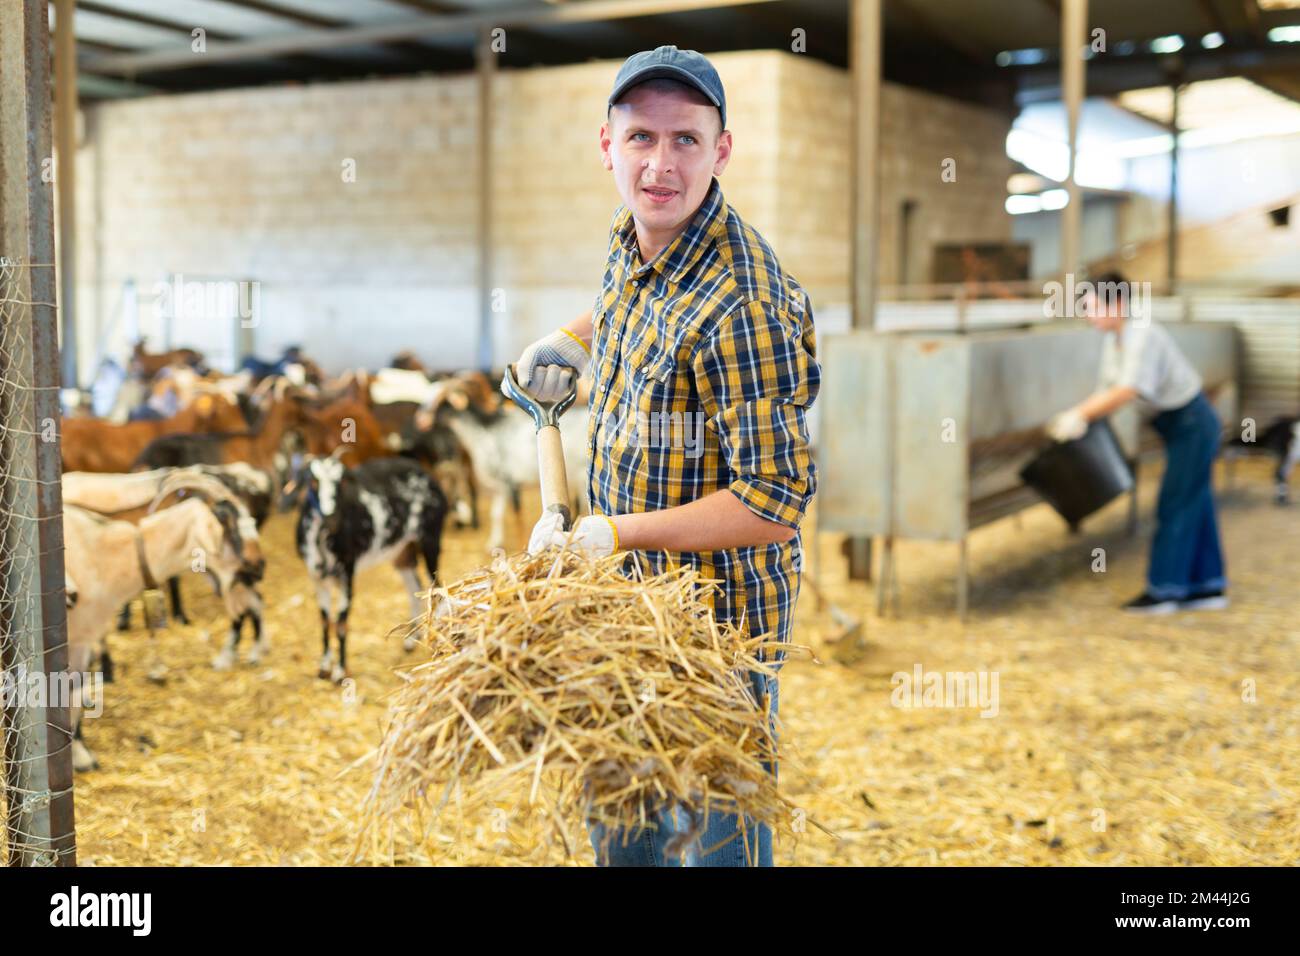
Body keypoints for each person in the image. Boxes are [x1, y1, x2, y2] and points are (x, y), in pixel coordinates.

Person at [503, 45, 820, 866]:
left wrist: (613, 534)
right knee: (622, 811)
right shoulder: (635, 232)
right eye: (641, 137)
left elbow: (774, 499)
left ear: (723, 149)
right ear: (606, 144)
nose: (661, 164)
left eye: (686, 139)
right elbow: (629, 300)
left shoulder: (744, 303)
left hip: (715, 631)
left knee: (721, 835)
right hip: (623, 611)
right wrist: (573, 339)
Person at [1046, 271, 1227, 614]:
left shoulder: (1142, 334)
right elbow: (1107, 389)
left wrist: (1079, 415)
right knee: (1196, 501)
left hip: (1192, 423)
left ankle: (1164, 592)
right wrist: (1080, 418)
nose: (1088, 314)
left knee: (1176, 502)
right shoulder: (1115, 339)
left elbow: (1129, 389)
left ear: (1117, 304)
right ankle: (1208, 587)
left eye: (1093, 306)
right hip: (1176, 426)